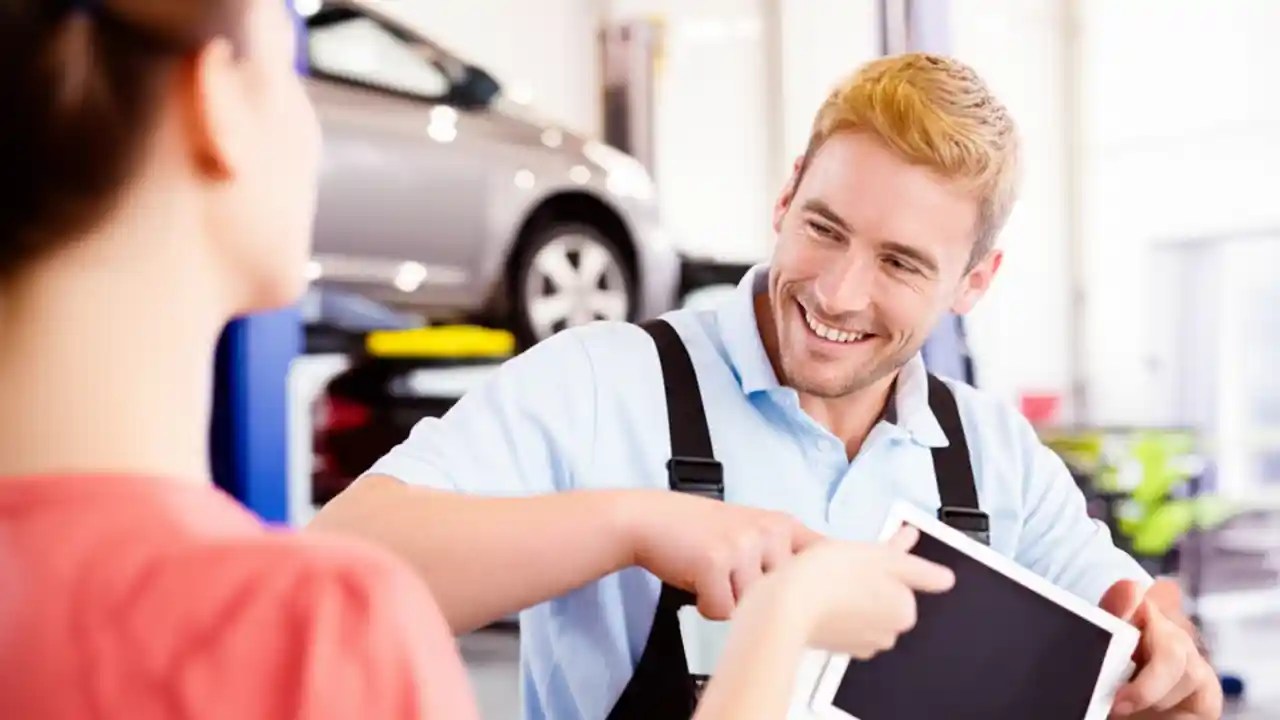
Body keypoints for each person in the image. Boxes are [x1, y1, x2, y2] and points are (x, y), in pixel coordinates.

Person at [0, 2, 966, 718]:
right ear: (220, 105)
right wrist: (782, 619)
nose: (842, 292)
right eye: (294, 71)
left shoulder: (988, 449)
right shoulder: (310, 638)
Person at [311, 52, 1224, 720]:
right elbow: (330, 581)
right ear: (788, 194)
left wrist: (1174, 675)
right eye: (824, 228)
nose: (836, 292)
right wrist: (637, 524)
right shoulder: (601, 383)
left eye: (901, 263)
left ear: (973, 284)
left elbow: (1141, 633)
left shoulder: (997, 464)